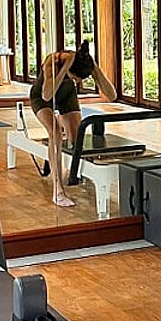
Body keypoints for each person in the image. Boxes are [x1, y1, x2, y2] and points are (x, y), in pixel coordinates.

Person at [29, 41, 117, 207]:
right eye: (74, 78)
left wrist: (95, 69)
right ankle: (58, 190)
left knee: (77, 139)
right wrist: (66, 66)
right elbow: (47, 96)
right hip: (41, 96)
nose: (77, 82)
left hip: (66, 96)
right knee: (54, 132)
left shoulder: (85, 62)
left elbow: (112, 96)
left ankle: (84, 175)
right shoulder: (53, 61)